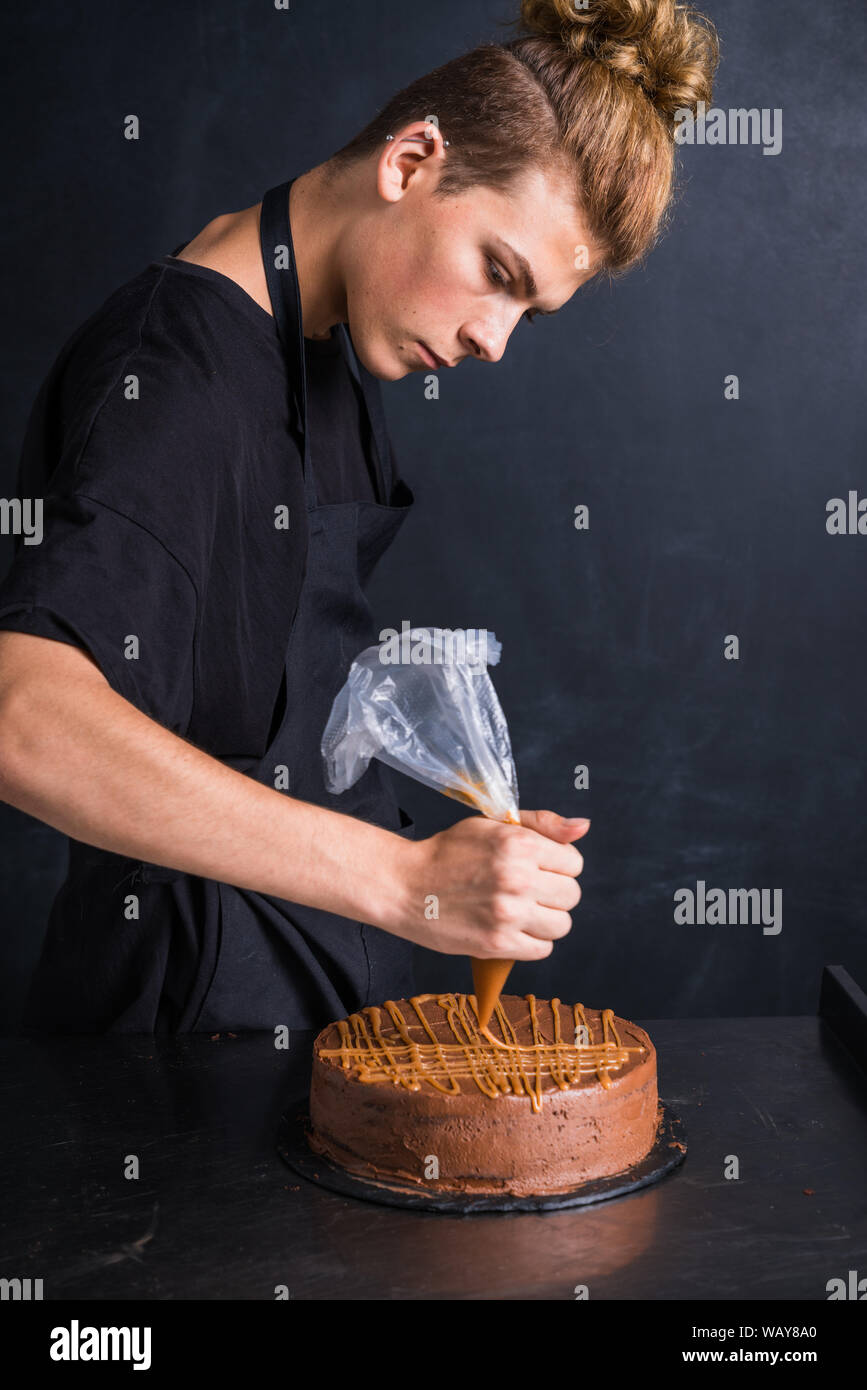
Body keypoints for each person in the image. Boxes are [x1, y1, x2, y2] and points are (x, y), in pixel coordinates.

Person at [0, 0, 718, 1032]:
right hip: (171, 1083)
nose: (494, 341)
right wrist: (407, 881)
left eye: (530, 313)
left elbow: (271, 673)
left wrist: (463, 808)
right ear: (413, 160)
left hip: (313, 1035)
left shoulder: (330, 339)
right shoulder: (169, 374)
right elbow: (26, 718)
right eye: (498, 276)